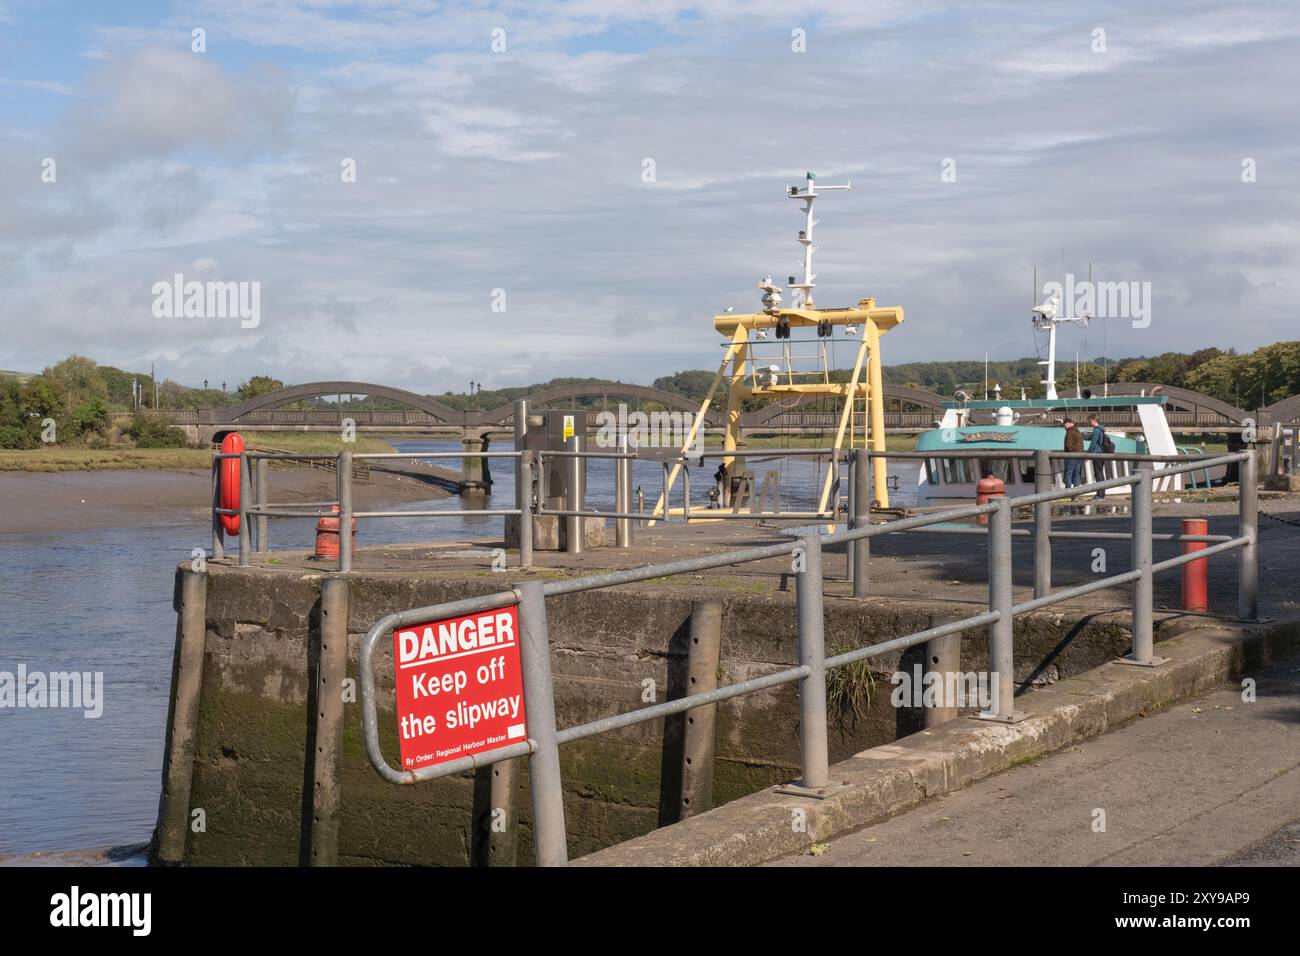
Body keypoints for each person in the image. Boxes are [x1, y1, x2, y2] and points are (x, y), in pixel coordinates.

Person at [1062, 418, 1084, 489]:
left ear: (1070, 423)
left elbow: (1068, 445)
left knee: (1068, 475)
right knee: (1076, 475)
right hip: (1079, 456)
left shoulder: (1070, 432)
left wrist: (1069, 452)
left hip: (1071, 456)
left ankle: (1067, 494)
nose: (1064, 426)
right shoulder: (1078, 432)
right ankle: (1075, 495)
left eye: (1065, 424)